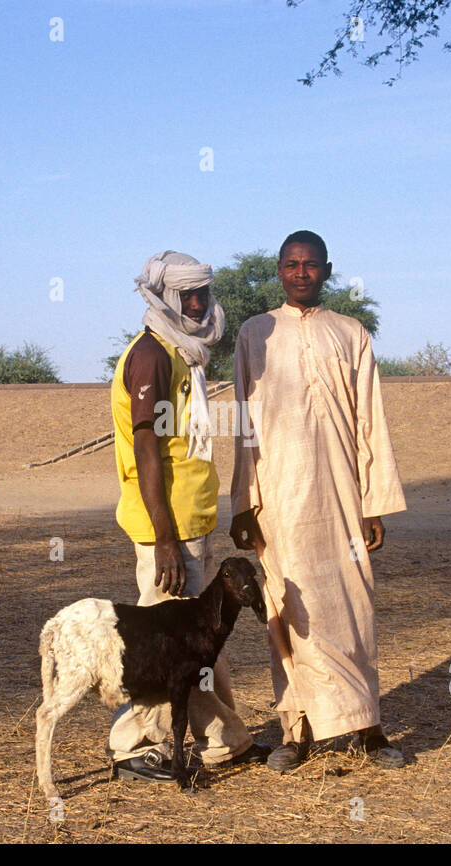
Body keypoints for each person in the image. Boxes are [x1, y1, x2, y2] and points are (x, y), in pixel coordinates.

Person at [230, 230, 407, 771]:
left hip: (341, 496)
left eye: (310, 265)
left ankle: (368, 727)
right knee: (287, 611)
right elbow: (243, 424)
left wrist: (373, 500)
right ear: (278, 271)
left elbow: (369, 421)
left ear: (327, 270)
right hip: (279, 497)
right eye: (291, 264)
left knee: (352, 608)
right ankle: (297, 730)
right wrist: (243, 502)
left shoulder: (351, 333)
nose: (301, 273)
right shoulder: (254, 333)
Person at [108, 249, 269, 783]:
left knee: (202, 639)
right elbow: (147, 449)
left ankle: (226, 740)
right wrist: (165, 540)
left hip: (188, 521)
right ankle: (134, 744)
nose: (199, 303)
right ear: (163, 297)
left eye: (204, 292)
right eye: (188, 295)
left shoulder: (183, 353)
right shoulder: (153, 356)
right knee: (167, 650)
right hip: (166, 530)